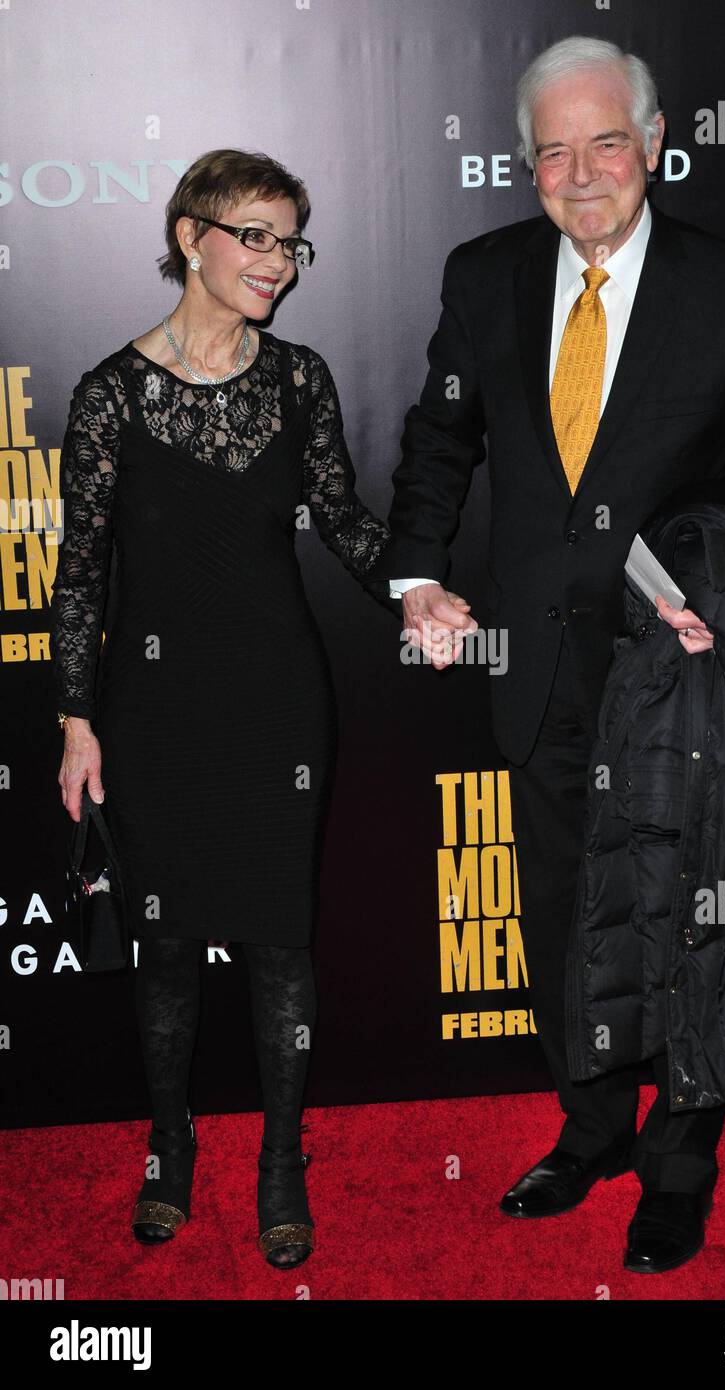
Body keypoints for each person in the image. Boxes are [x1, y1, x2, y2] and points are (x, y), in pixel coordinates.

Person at [372, 37, 725, 1271]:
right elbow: (438, 444)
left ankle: (680, 1164)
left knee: (685, 922)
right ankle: (590, 1130)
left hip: (678, 679)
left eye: (605, 142)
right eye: (553, 152)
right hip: (537, 671)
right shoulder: (485, 278)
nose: (581, 175)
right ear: (528, 166)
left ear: (655, 139)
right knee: (564, 914)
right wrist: (417, 578)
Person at [50, 148, 397, 1270]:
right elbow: (81, 572)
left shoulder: (299, 380)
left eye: (291, 241)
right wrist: (74, 719)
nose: (279, 263)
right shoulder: (110, 392)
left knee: (280, 948)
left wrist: (418, 584)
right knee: (162, 946)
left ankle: (283, 1161)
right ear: (191, 234)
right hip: (151, 711)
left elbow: (343, 520)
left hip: (277, 706)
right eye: (256, 234)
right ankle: (169, 1147)